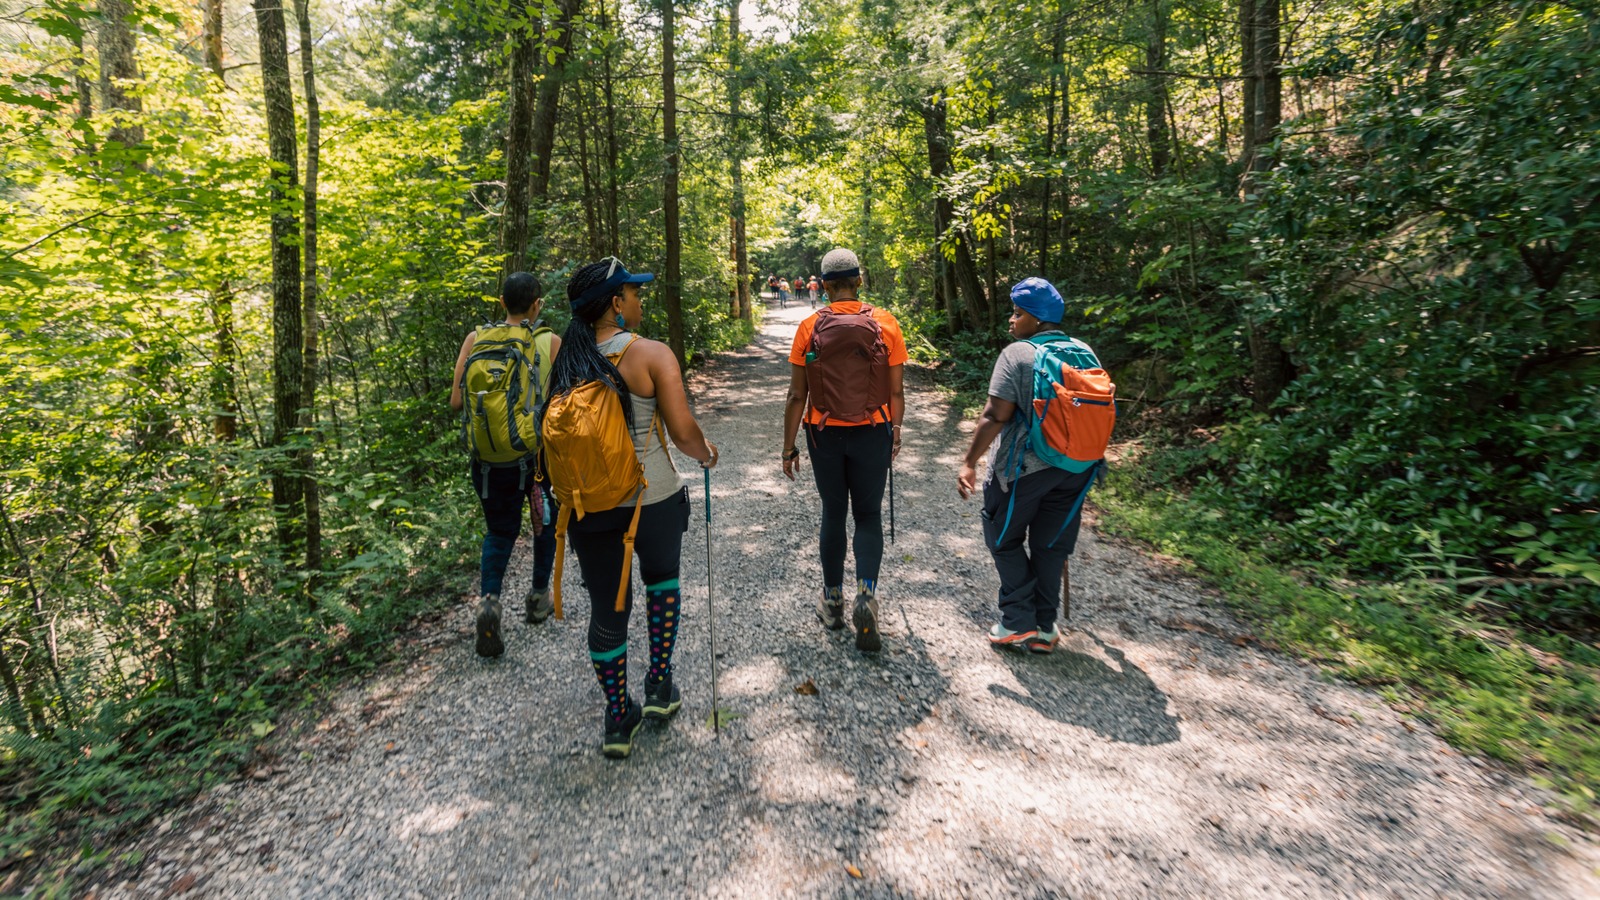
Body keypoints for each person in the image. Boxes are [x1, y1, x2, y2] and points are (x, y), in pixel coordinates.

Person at [544, 258, 718, 758]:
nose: (641, 301)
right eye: (634, 294)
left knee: (607, 607)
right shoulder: (651, 355)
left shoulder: (567, 361)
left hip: (589, 506)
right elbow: (683, 434)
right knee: (661, 584)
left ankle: (618, 715)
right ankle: (660, 686)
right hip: (654, 497)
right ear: (616, 304)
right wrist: (707, 454)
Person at [956, 278, 1102, 653]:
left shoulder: (1018, 354)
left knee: (1001, 537)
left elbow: (994, 415)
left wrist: (969, 462)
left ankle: (1017, 622)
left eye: (1018, 313)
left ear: (1036, 320)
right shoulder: (1084, 350)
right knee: (1050, 547)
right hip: (1078, 468)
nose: (1011, 320)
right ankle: (1045, 627)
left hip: (1024, 471)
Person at [781, 248, 906, 652]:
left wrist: (788, 449)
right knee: (868, 514)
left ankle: (832, 602)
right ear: (860, 280)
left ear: (823, 286)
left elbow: (796, 394)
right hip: (874, 429)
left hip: (824, 433)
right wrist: (896, 430)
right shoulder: (886, 324)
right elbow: (897, 389)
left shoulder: (808, 327)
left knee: (834, 512)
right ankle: (866, 594)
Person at [449, 272, 562, 658]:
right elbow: (562, 406)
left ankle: (490, 601)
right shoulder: (549, 343)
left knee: (499, 532)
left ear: (501, 303)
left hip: (487, 462)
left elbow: (456, 403)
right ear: (537, 306)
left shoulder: (475, 339)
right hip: (535, 460)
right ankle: (537, 599)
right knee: (544, 523)